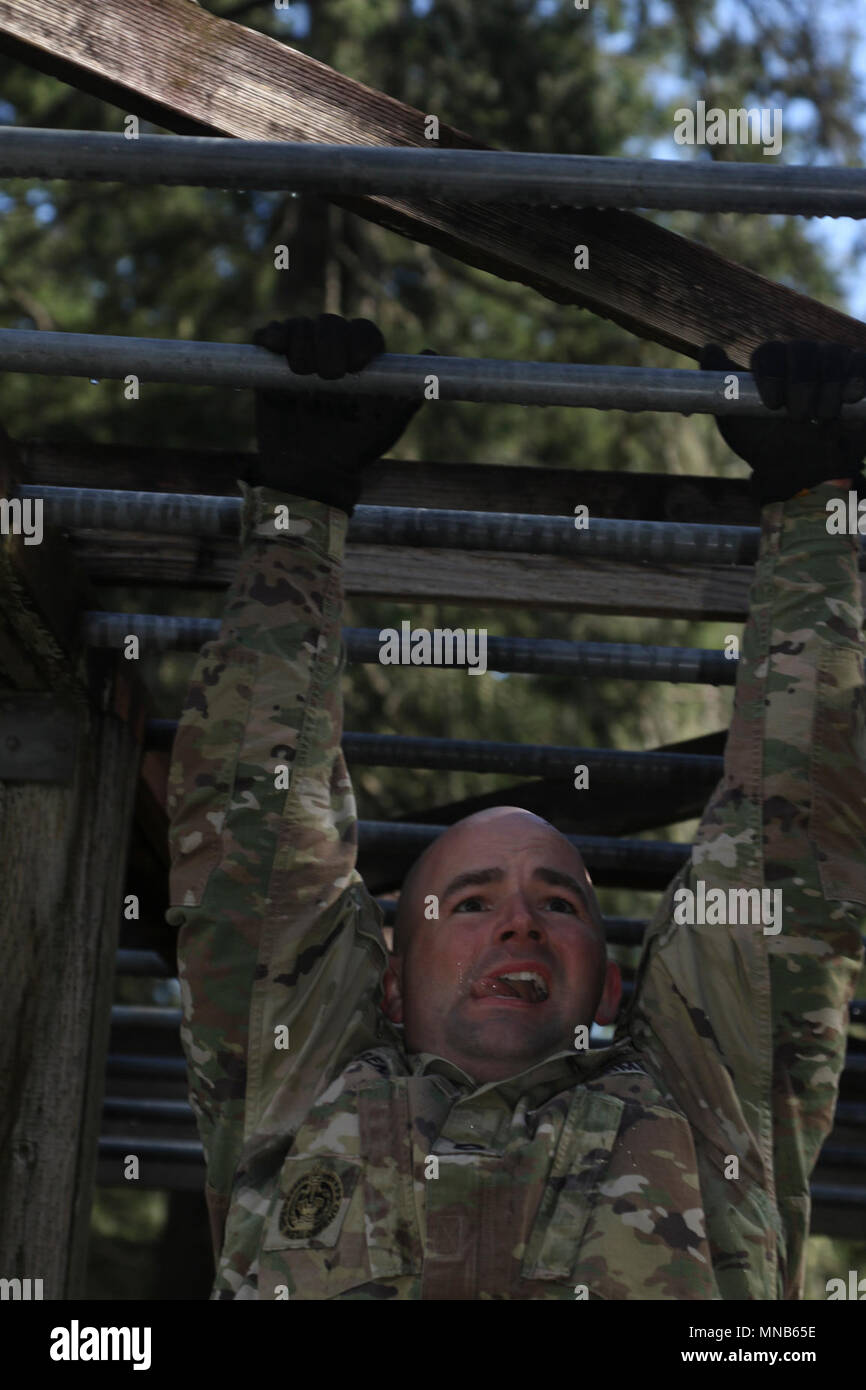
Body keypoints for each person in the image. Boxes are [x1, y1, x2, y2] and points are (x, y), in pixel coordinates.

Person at [166, 317, 866, 1299]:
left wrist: (811, 510)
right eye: (467, 902)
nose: (518, 921)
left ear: (612, 992)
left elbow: (787, 850)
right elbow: (251, 850)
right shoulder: (305, 1084)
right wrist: (299, 496)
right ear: (390, 989)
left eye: (559, 902)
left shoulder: (700, 1107)